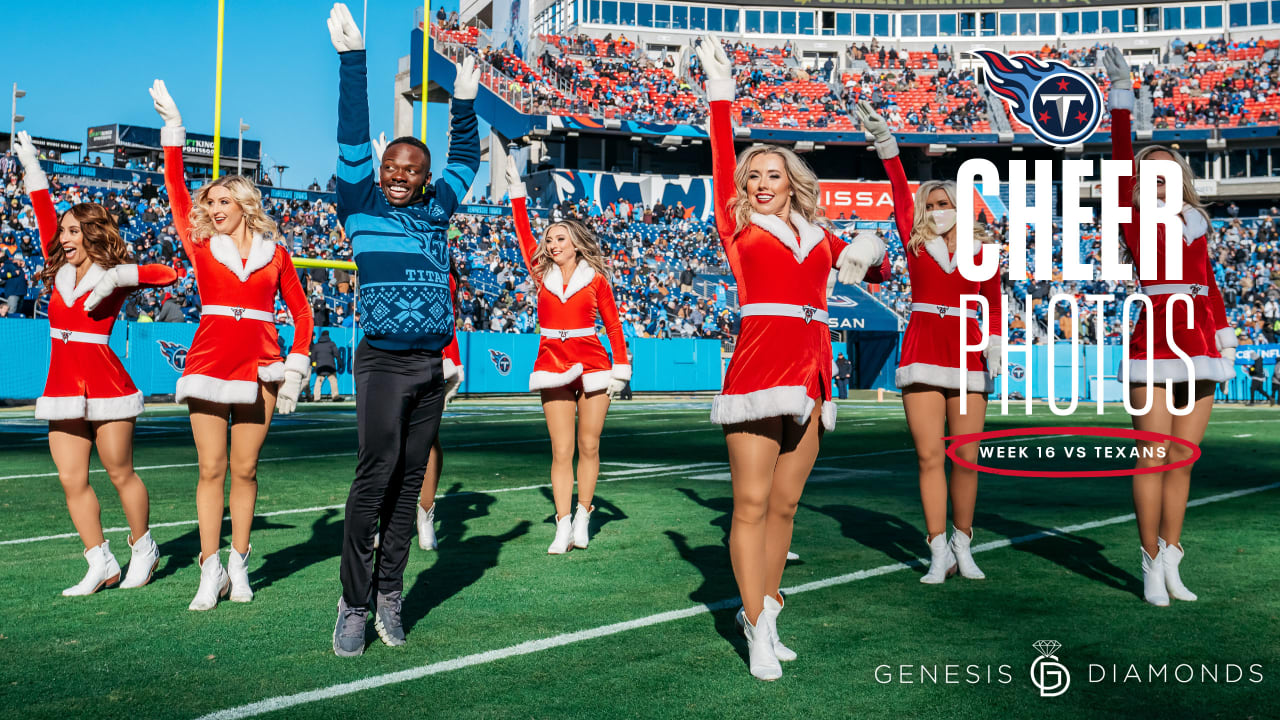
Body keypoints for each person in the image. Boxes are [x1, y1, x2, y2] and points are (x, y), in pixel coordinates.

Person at [697, 37, 889, 681]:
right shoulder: (738, 225)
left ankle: (770, 611)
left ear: (794, 184)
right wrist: (720, 95)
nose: (758, 183)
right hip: (758, 368)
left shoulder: (819, 235)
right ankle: (753, 626)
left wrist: (868, 243)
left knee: (784, 508)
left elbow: (883, 266)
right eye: (753, 176)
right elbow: (724, 163)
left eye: (771, 175)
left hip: (813, 372)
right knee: (749, 505)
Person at [327, 3, 481, 657]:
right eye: (391, 164)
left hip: (428, 366)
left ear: (424, 180)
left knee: (411, 484)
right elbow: (353, 136)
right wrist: (352, 61)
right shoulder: (358, 199)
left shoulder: (437, 210)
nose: (396, 172)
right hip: (383, 363)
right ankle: (353, 605)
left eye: (410, 168)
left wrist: (466, 103)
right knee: (374, 477)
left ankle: (390, 593)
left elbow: (466, 156)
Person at [152, 80, 313, 611]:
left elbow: (304, 312)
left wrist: (294, 366)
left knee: (245, 469)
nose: (212, 207)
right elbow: (176, 189)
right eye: (209, 201)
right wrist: (172, 130)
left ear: (245, 204)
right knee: (211, 469)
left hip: (262, 363)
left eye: (223, 200)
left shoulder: (278, 252)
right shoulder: (200, 245)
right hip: (209, 360)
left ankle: (239, 564)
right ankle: (209, 567)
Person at [1104, 46, 1236, 607]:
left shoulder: (1197, 223)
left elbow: (1214, 288)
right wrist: (1121, 100)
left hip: (1201, 341)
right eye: (1147, 176)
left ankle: (1174, 556)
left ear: (1179, 181)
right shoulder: (1133, 217)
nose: (1155, 183)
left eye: (1165, 176)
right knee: (1151, 458)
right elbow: (1117, 161)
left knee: (1182, 460)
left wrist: (1226, 339)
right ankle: (1149, 564)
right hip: (1155, 336)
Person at [16, 131, 175, 595]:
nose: (63, 238)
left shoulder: (111, 275)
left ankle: (143, 548)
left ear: (91, 235)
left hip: (107, 385)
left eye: (72, 231)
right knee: (70, 477)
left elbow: (169, 274)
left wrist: (123, 276)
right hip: (63, 383)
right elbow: (44, 209)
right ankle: (99, 560)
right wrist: (33, 168)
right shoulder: (58, 264)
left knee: (119, 471)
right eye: (62, 231)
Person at [857, 99, 1003, 587]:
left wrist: (996, 340)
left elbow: (994, 301)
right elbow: (900, 192)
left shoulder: (985, 251)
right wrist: (887, 146)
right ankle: (937, 548)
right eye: (932, 205)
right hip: (922, 349)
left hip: (968, 351)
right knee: (928, 457)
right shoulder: (914, 240)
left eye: (946, 204)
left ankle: (964, 542)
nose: (939, 211)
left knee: (967, 455)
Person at [507, 156, 630, 554]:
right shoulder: (539, 273)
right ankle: (562, 525)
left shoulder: (596, 280)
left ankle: (583, 515)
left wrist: (620, 369)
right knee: (561, 449)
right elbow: (524, 232)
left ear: (576, 243)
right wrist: (517, 193)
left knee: (589, 445)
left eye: (559, 238)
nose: (551, 243)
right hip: (552, 363)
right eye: (549, 239)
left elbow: (613, 327)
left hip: (594, 364)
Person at [311, 330, 340, 401]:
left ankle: (316, 397)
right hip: (330, 367)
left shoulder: (316, 345)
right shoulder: (332, 344)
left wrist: (314, 366)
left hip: (320, 367)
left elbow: (313, 357)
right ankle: (335, 396)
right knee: (333, 381)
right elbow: (337, 354)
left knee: (318, 382)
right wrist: (340, 363)